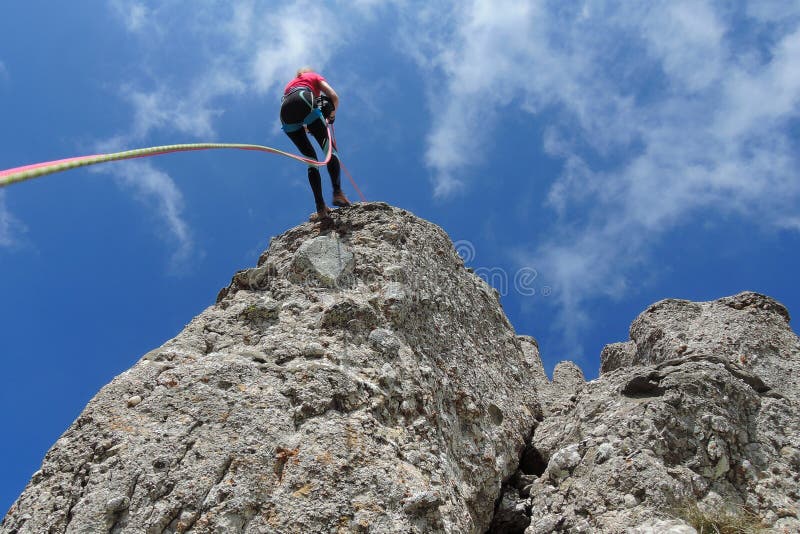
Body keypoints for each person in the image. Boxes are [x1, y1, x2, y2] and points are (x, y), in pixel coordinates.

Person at [280, 68, 350, 220]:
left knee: (311, 161)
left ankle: (320, 206)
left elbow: (297, 111)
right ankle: (338, 193)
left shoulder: (291, 83)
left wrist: (309, 125)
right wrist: (331, 115)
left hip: (285, 111)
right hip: (304, 99)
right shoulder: (313, 76)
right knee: (331, 150)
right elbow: (334, 97)